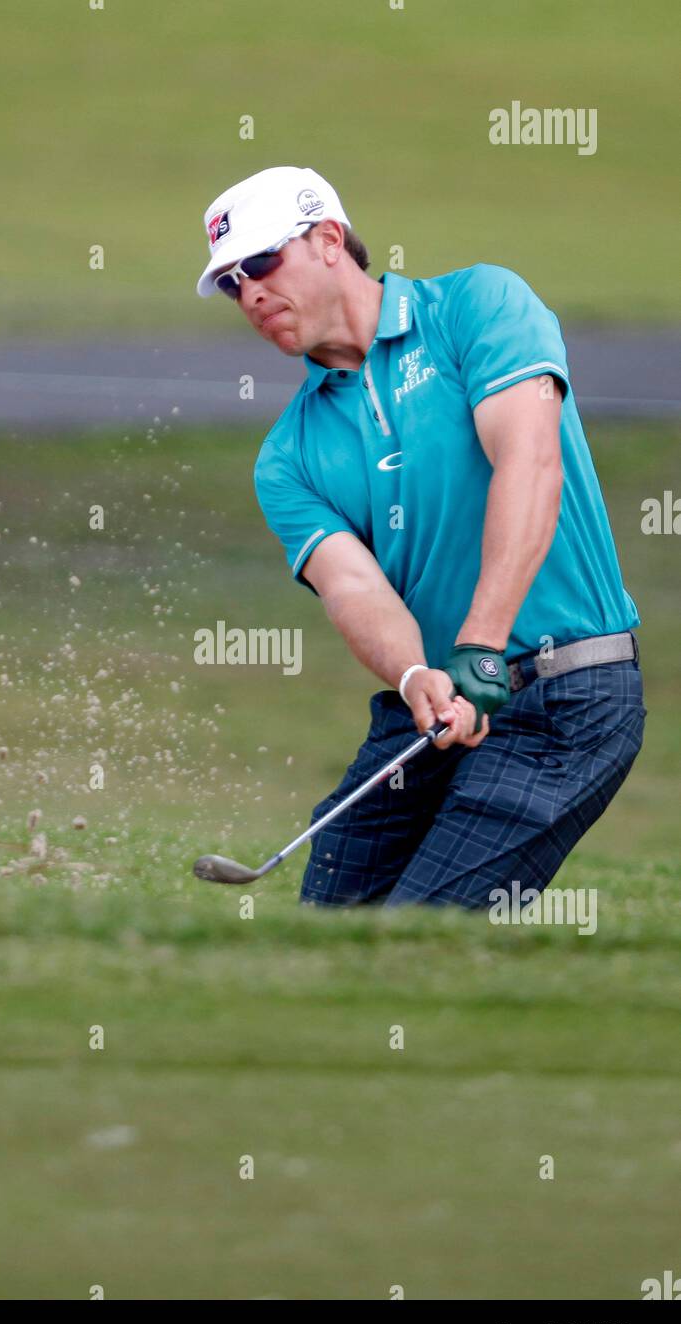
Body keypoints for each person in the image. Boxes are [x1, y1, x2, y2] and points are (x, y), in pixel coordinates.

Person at [194, 165, 645, 908]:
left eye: (261, 264)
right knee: (329, 923)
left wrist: (480, 646)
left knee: (420, 931)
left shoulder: (479, 305)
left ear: (330, 239)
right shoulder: (289, 454)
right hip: (438, 711)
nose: (251, 295)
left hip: (570, 695)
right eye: (233, 284)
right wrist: (415, 677)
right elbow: (353, 586)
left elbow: (530, 465)